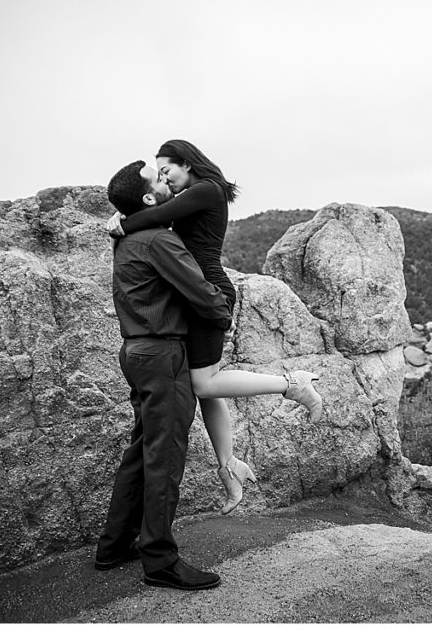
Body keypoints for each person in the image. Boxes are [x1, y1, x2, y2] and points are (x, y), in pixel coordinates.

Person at [107, 139, 322, 514]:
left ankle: (292, 385)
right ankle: (229, 466)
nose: (164, 178)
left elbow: (149, 218)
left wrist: (121, 222)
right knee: (203, 386)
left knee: (204, 382)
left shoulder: (206, 190)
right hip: (191, 296)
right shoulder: (191, 194)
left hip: (207, 295)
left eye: (166, 170)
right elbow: (153, 217)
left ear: (186, 164)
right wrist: (124, 219)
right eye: (158, 174)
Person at [95, 160, 229, 591]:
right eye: (159, 178)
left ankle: (114, 545)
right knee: (165, 456)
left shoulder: (129, 236)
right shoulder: (158, 240)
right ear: (150, 199)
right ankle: (160, 561)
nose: (168, 179)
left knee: (141, 450)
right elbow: (201, 294)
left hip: (136, 351)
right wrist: (222, 313)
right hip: (163, 354)